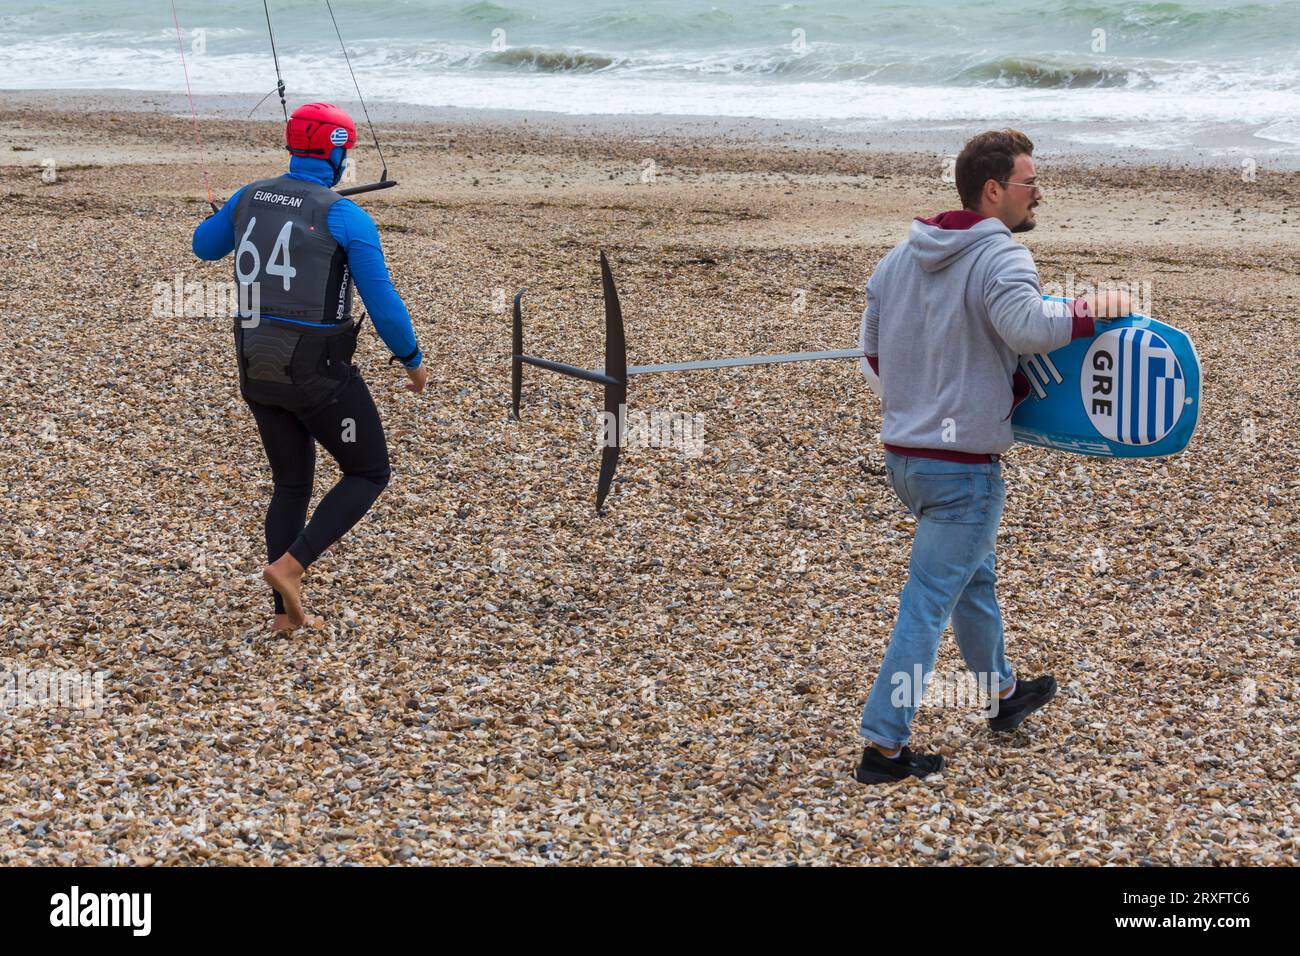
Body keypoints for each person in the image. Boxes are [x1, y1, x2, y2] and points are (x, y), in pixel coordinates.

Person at [855, 129, 1131, 784]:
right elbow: (1028, 329)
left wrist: (925, 390)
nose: (1039, 193)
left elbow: (872, 355)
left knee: (971, 578)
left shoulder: (899, 260)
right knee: (927, 600)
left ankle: (1002, 695)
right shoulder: (1000, 255)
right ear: (993, 191)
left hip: (907, 460)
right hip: (961, 473)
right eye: (1030, 183)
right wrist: (1092, 311)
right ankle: (883, 746)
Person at [192, 101, 427, 633]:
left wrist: (220, 215)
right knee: (368, 471)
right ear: (337, 153)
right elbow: (382, 298)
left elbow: (203, 246)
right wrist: (412, 361)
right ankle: (290, 567)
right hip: (318, 373)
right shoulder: (345, 215)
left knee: (291, 484)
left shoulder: (248, 197)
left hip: (256, 366)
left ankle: (283, 618)